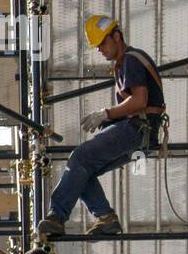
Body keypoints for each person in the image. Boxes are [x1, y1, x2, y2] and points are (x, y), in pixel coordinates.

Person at [35, 15, 166, 239]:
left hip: (137, 130)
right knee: (83, 171)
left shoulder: (130, 60)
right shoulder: (127, 62)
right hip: (144, 135)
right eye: (97, 47)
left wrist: (106, 113)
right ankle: (106, 219)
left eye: (103, 43)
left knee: (79, 158)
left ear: (117, 36)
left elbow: (139, 101)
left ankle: (56, 216)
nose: (100, 50)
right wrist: (108, 120)